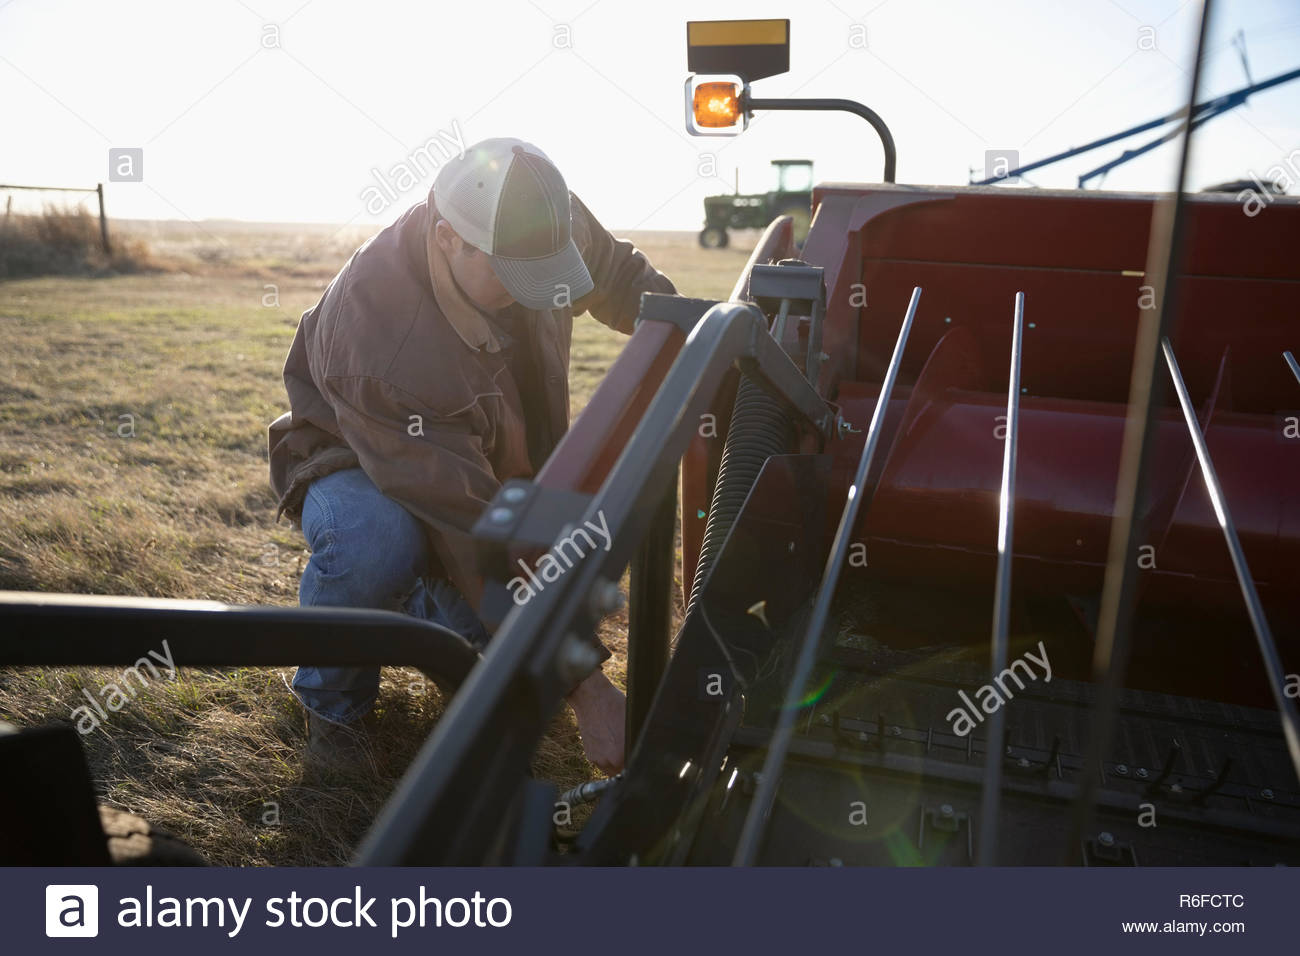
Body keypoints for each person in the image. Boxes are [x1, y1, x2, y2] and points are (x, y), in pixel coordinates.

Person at [266, 138, 676, 773]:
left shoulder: (541, 215)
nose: (538, 292)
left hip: (479, 456)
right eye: (515, 275)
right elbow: (470, 527)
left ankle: (433, 611)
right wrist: (588, 691)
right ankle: (333, 704)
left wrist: (707, 336)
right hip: (355, 453)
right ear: (447, 236)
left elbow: (620, 276)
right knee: (376, 538)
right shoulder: (385, 344)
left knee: (515, 656)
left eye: (548, 272)